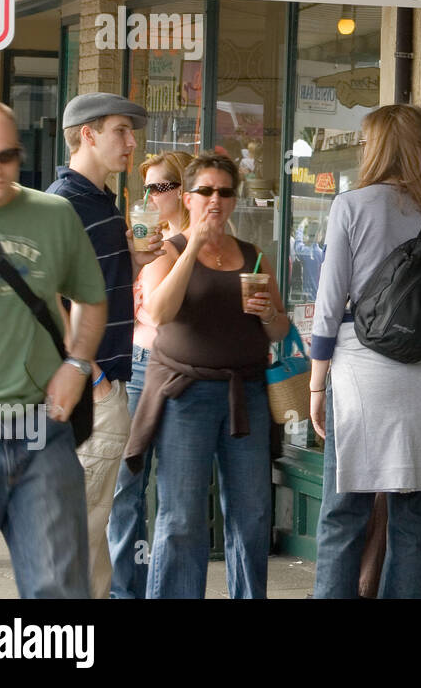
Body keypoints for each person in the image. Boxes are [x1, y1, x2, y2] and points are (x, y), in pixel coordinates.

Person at [309, 104, 421, 599]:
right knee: (416, 517)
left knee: (344, 513)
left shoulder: (350, 206)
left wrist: (315, 384)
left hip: (358, 377)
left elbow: (327, 308)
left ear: (379, 148)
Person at [123, 152, 289, 598]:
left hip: (245, 394)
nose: (216, 199)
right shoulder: (168, 249)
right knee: (180, 517)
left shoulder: (253, 256)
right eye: (206, 191)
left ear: (234, 199)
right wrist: (193, 245)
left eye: (225, 191)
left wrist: (268, 311)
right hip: (185, 396)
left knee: (252, 513)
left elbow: (280, 329)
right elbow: (157, 312)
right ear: (189, 196)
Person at [0, 100, 107, 598]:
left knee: (60, 593)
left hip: (40, 429)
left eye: (7, 155)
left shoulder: (54, 213)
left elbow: (91, 297)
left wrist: (75, 363)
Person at [46, 92, 160, 599]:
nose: (132, 143)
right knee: (81, 542)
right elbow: (45, 294)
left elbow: (87, 288)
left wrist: (130, 264)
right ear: (87, 134)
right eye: (121, 130)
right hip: (92, 394)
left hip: (104, 385)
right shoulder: (66, 202)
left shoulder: (101, 201)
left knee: (92, 543)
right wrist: (88, 373)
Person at [107, 149, 193, 599]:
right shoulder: (148, 239)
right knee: (127, 486)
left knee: (174, 491)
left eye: (163, 186)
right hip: (140, 364)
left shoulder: (196, 239)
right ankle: (125, 589)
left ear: (184, 189)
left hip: (182, 369)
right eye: (148, 188)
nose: (153, 196)